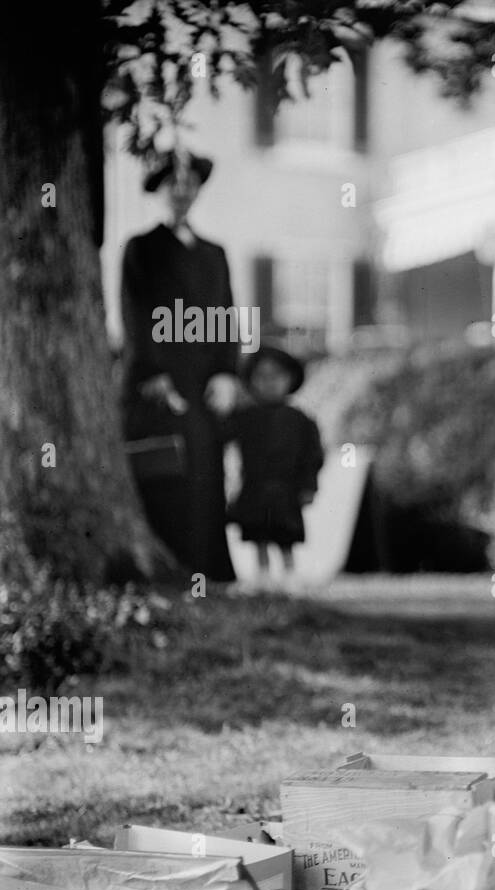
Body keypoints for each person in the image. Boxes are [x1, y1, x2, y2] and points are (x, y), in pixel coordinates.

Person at [120, 150, 241, 583]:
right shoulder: (142, 249)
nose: (183, 191)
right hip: (160, 383)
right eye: (174, 183)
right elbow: (135, 315)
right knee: (169, 474)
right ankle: (176, 572)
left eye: (190, 183)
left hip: (205, 381)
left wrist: (227, 373)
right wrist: (153, 375)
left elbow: (226, 316)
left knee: (208, 471)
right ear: (160, 189)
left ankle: (210, 574)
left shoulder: (214, 253)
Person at [224, 345, 324, 589]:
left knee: (284, 533)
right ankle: (262, 574)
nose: (269, 383)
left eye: (276, 377)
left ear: (290, 380)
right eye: (262, 377)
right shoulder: (244, 417)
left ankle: (290, 573)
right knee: (258, 532)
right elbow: (224, 436)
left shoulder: (301, 421)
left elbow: (313, 456)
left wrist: (308, 486)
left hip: (286, 489)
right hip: (254, 486)